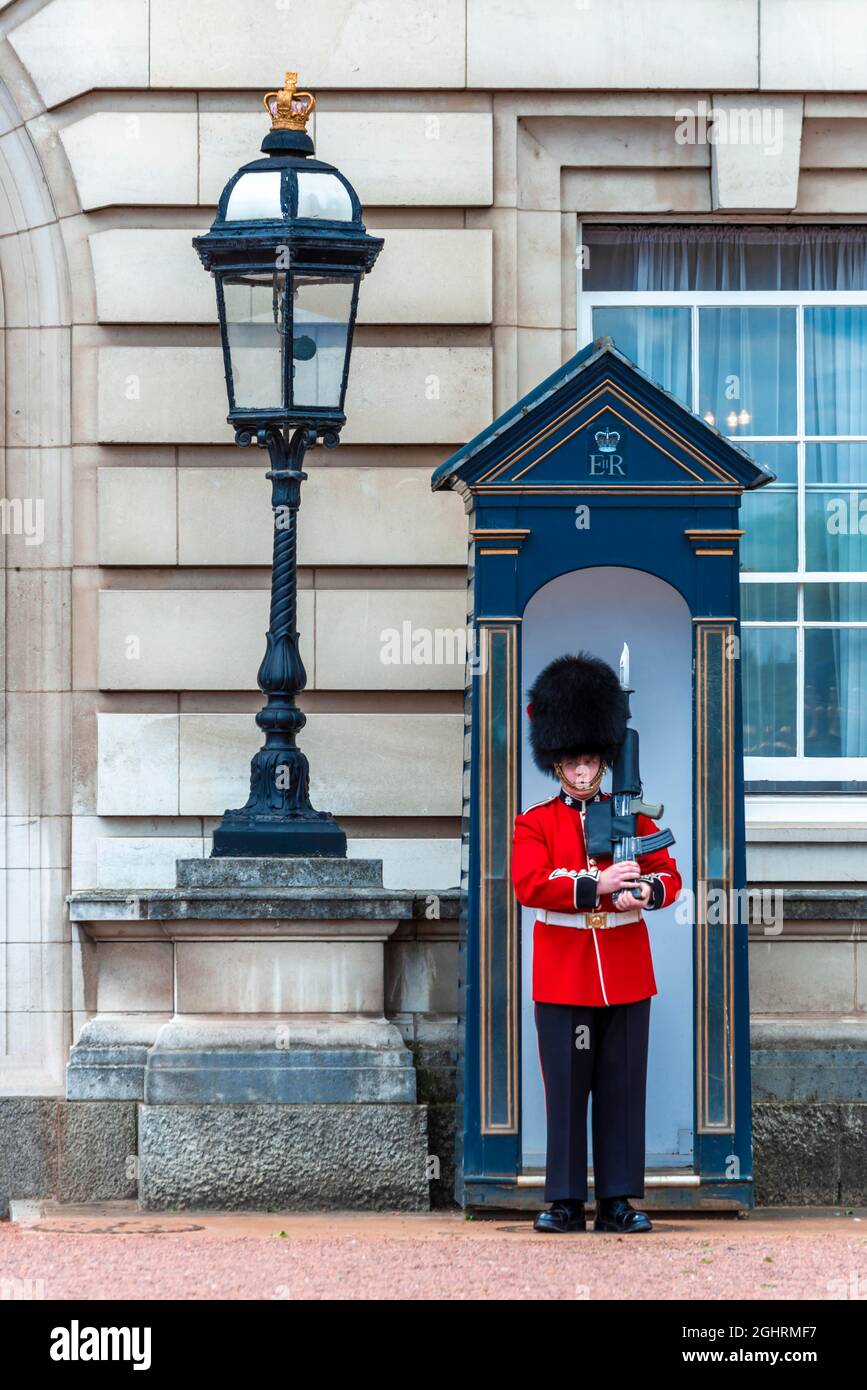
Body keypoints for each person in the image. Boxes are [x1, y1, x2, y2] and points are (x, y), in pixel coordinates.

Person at [512, 651, 682, 1234]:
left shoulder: (628, 815)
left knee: (620, 1089)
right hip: (564, 973)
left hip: (626, 971)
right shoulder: (535, 821)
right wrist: (596, 883)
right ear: (557, 765)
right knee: (566, 1089)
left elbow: (670, 874)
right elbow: (529, 883)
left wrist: (647, 893)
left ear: (604, 761)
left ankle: (616, 1200)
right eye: (573, 762)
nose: (583, 772)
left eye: (590, 761)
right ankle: (563, 1200)